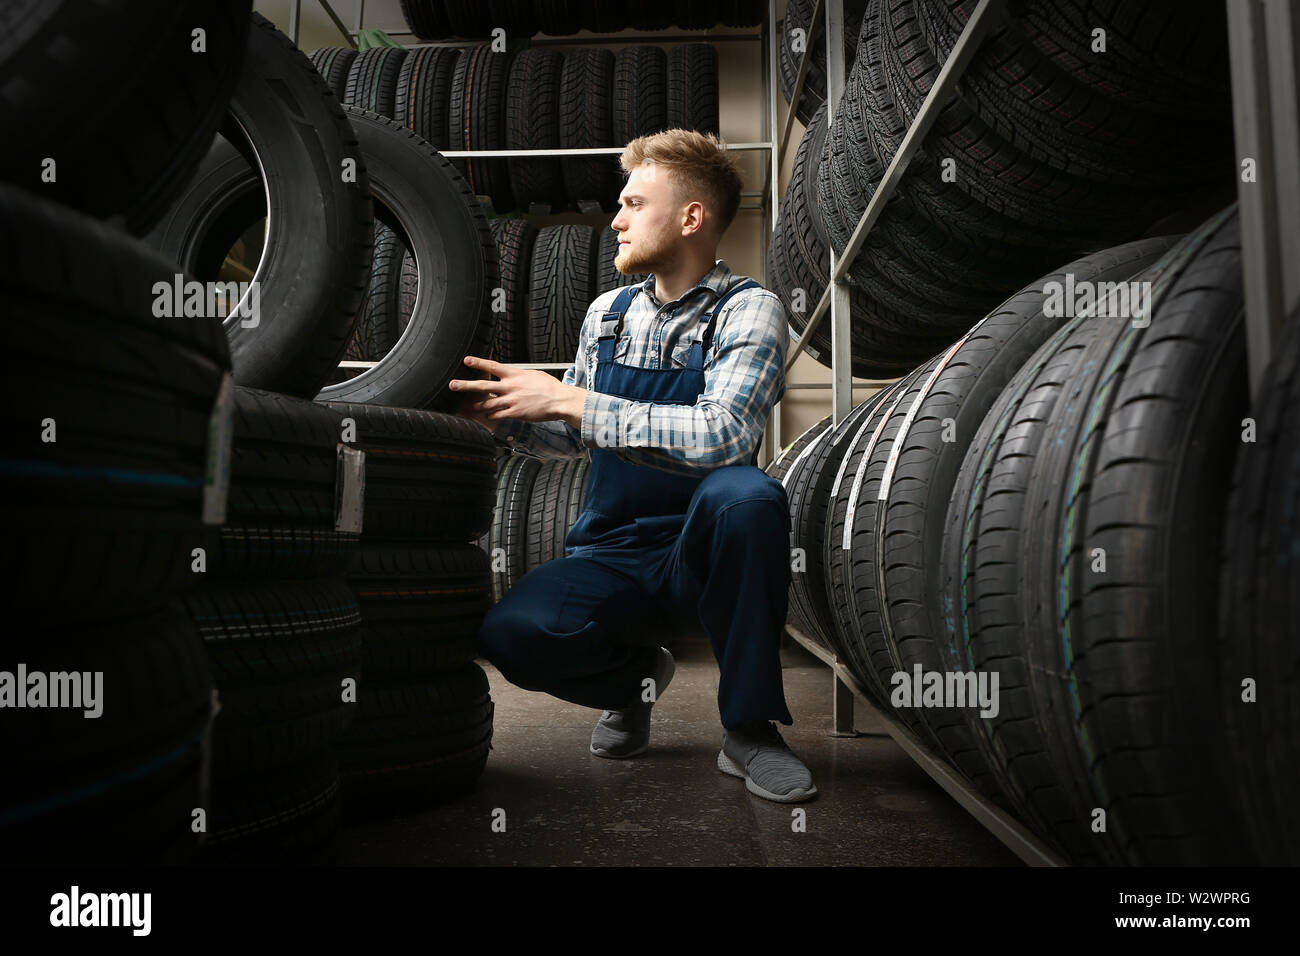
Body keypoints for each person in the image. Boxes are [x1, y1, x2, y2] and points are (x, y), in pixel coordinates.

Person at [449, 129, 816, 803]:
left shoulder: (749, 310)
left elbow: (724, 433)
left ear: (690, 218)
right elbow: (581, 439)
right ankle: (638, 680)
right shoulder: (607, 315)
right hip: (612, 554)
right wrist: (515, 421)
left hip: (700, 559)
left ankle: (751, 730)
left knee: (749, 494)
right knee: (511, 634)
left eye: (632, 202)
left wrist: (568, 397)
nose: (614, 219)